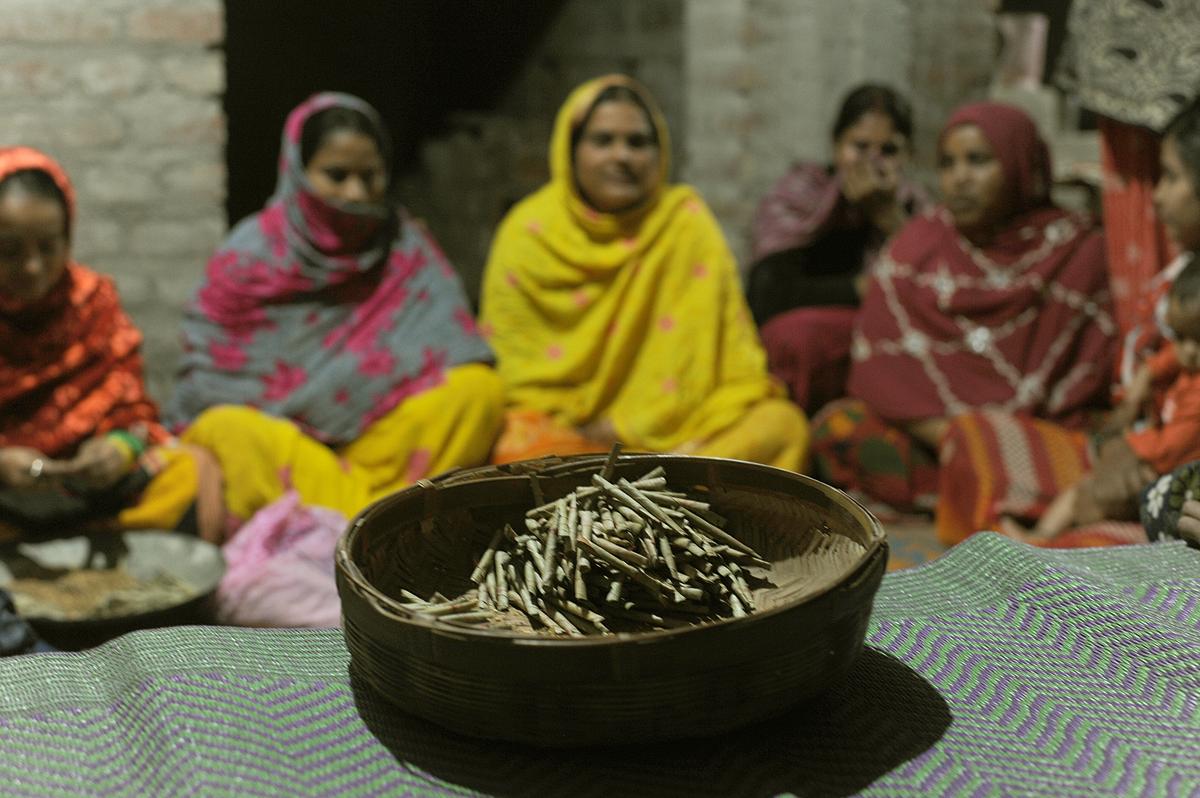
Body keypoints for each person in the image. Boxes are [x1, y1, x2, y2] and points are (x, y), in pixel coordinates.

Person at [169, 93, 504, 536]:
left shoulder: (401, 244)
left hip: (382, 447)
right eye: (336, 176)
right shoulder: (249, 257)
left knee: (477, 390)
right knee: (225, 427)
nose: (356, 194)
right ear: (297, 172)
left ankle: (352, 523)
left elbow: (450, 344)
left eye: (370, 176)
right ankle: (387, 525)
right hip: (293, 449)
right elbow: (208, 382)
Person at [809, 102, 1118, 545]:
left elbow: (1090, 384)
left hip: (1038, 435)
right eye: (947, 163)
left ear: (1021, 165)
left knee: (1095, 448)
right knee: (836, 429)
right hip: (938, 441)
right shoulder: (919, 245)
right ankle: (983, 493)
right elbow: (882, 368)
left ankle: (983, 493)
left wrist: (987, 440)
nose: (959, 178)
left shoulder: (1079, 250)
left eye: (978, 160)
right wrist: (958, 440)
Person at [479, 74, 808, 470]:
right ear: (571, 150)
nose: (622, 156)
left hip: (680, 433)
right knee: (513, 442)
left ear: (660, 152)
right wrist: (586, 424)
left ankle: (662, 483)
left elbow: (714, 363)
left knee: (782, 425)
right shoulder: (529, 231)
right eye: (603, 141)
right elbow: (515, 371)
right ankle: (674, 490)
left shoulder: (683, 221)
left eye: (638, 142)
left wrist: (631, 425)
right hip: (571, 436)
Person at [0, 146, 210, 540]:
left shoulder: (93, 303)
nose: (33, 267)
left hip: (93, 493)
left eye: (49, 247)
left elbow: (134, 415)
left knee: (190, 471)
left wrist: (117, 449)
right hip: (8, 501)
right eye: (9, 251)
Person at [747, 84, 929, 412]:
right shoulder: (801, 195)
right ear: (836, 146)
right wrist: (858, 289)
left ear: (908, 156)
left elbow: (932, 293)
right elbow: (767, 294)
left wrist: (888, 217)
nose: (873, 162)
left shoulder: (915, 210)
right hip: (800, 345)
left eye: (888, 150)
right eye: (859, 147)